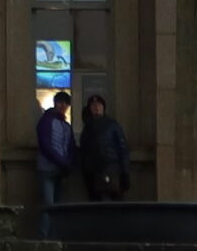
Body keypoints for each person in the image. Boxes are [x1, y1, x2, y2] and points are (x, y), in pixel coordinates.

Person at [33, 87, 78, 226]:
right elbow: (45, 145)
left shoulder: (66, 125)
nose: (63, 105)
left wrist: (67, 162)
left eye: (66, 103)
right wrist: (62, 162)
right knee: (49, 206)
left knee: (56, 206)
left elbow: (71, 146)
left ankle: (52, 236)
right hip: (47, 168)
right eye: (60, 102)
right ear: (55, 103)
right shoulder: (46, 121)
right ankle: (45, 238)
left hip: (59, 169)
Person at [77, 91, 132, 203]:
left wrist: (125, 172)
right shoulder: (87, 128)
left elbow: (122, 149)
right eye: (93, 106)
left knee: (115, 201)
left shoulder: (112, 125)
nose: (96, 108)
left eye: (99, 105)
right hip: (92, 172)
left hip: (110, 169)